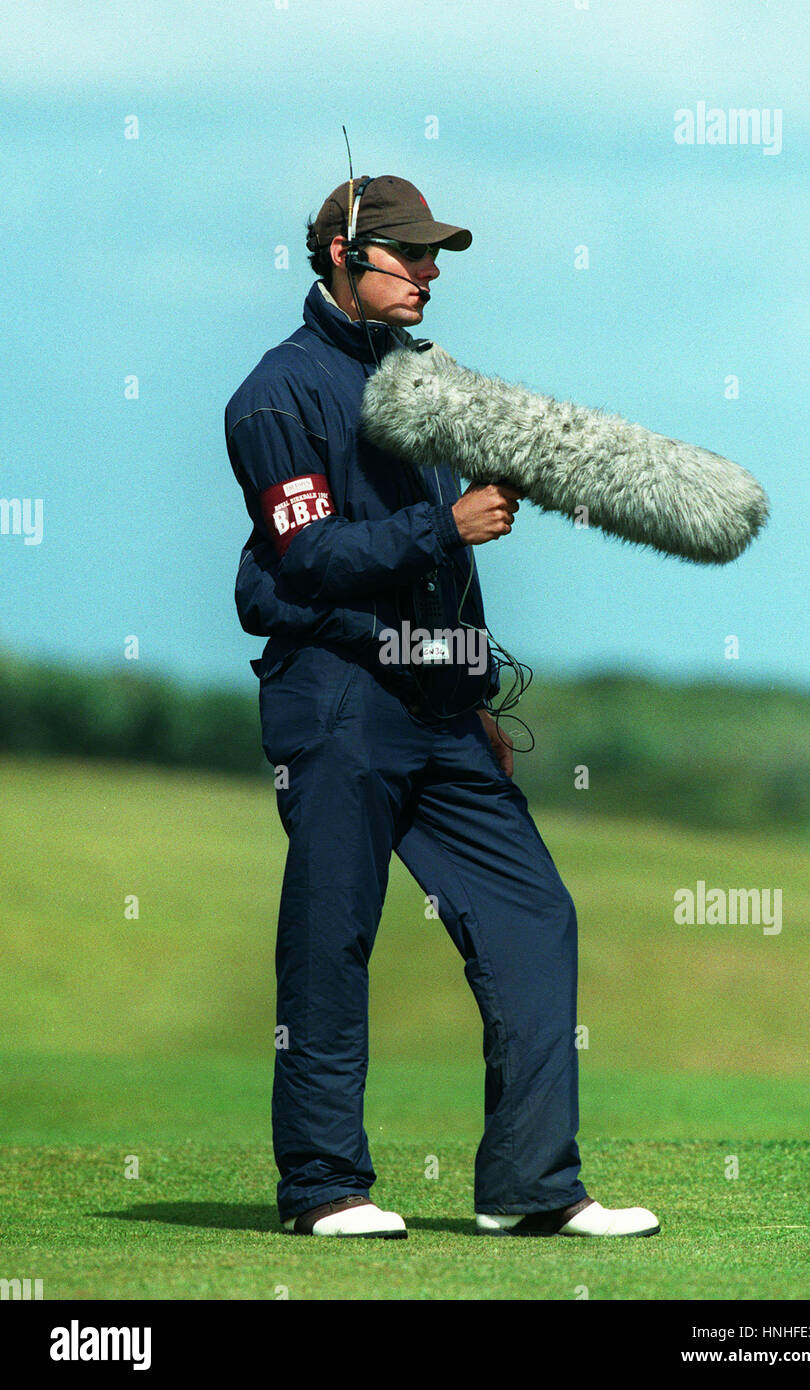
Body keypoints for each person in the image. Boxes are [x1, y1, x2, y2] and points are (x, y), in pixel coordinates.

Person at [224, 172, 660, 1240]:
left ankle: (530, 1190)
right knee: (332, 934)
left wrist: (472, 700)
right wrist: (444, 526)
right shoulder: (274, 396)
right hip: (332, 696)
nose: (426, 274)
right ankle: (324, 1186)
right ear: (339, 254)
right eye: (406, 255)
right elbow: (310, 558)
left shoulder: (433, 383)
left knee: (532, 912)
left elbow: (451, 578)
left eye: (434, 258)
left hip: (435, 700)